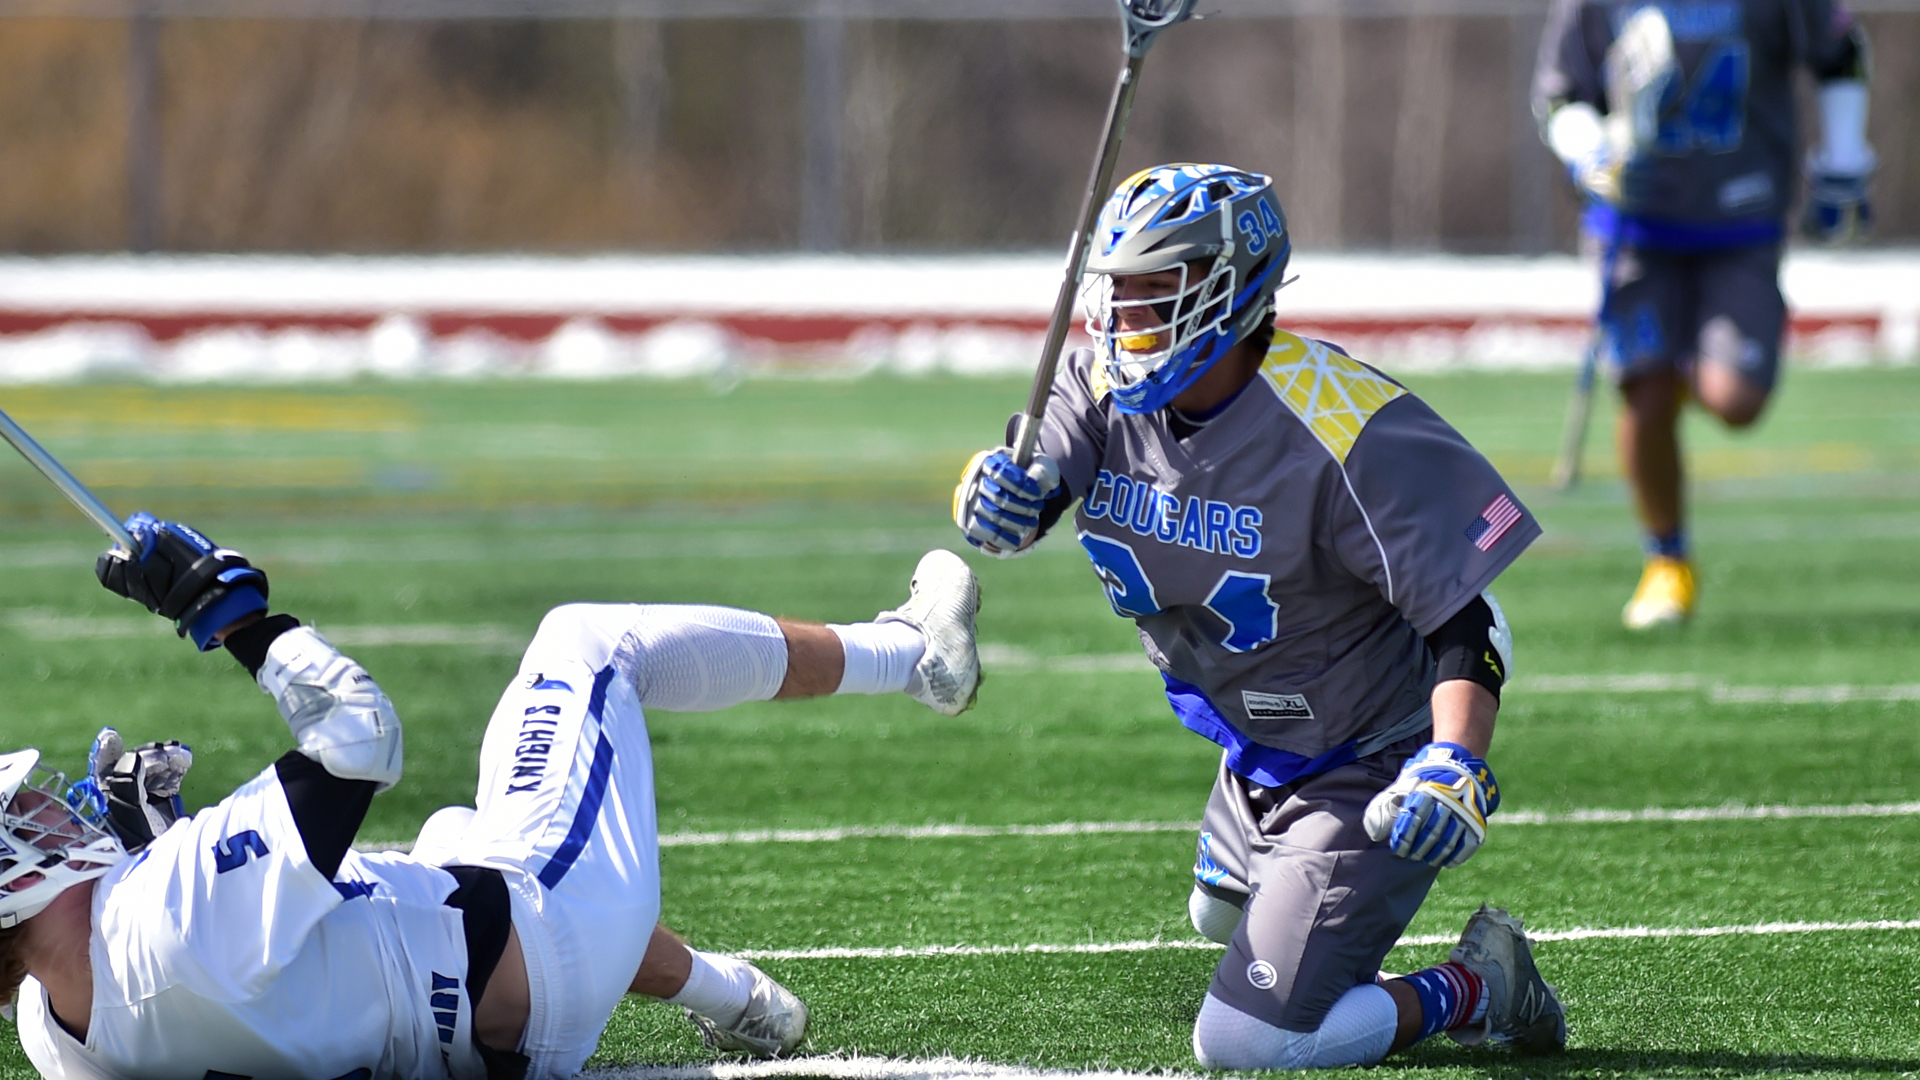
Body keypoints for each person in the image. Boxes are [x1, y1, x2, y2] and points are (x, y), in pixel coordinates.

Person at [1, 513, 982, 1079]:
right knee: (586, 643)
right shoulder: (164, 919)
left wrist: (153, 848)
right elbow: (357, 741)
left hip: (493, 1036)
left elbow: (204, 983)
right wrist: (240, 622)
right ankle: (913, 655)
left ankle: (742, 1003)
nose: (43, 801)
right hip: (552, 938)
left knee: (446, 838)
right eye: (17, 813)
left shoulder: (53, 1026)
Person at [953, 163, 1563, 1069]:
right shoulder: (1100, 388)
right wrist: (994, 490)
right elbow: (1034, 474)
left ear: (1232, 290)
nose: (1127, 319)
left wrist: (1456, 760)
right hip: (1260, 738)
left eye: (1158, 291)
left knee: (1247, 1041)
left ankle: (1481, 986)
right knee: (1217, 914)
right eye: (1120, 293)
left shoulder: (1347, 427)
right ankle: (1317, 928)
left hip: (1370, 755)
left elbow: (1466, 618)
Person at [1534, 0, 1876, 628]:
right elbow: (1560, 96)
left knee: (1735, 399)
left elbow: (1840, 54)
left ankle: (1695, 361)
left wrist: (1846, 158)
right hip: (1636, 225)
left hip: (1741, 218)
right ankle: (1667, 561)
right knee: (1645, 390)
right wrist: (1591, 153)